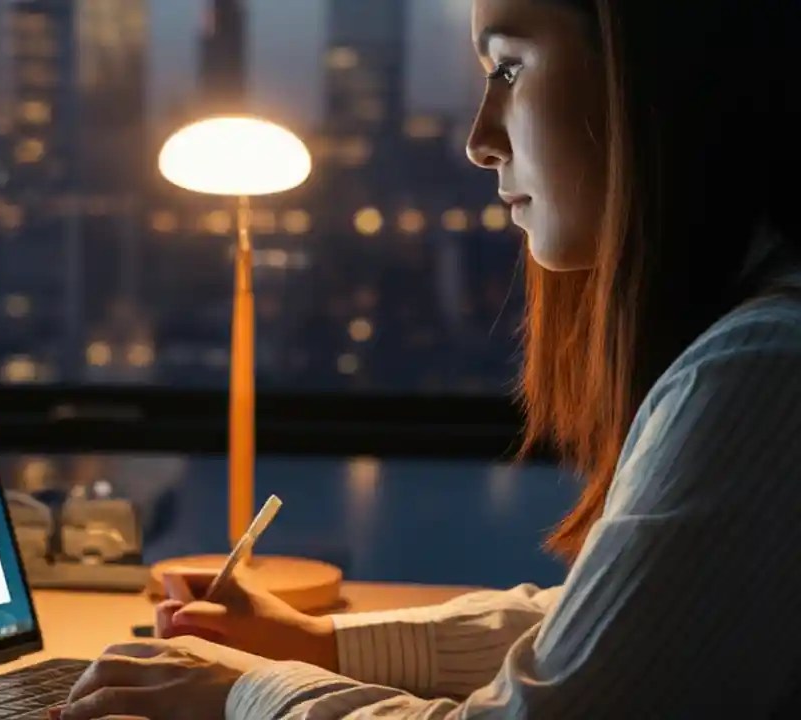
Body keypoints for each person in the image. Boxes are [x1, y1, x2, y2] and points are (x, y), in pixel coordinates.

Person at [54, 0, 801, 717]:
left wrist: (241, 694)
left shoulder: (761, 369)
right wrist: (320, 643)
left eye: (507, 69)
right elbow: (593, 632)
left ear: (653, 72)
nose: (480, 138)